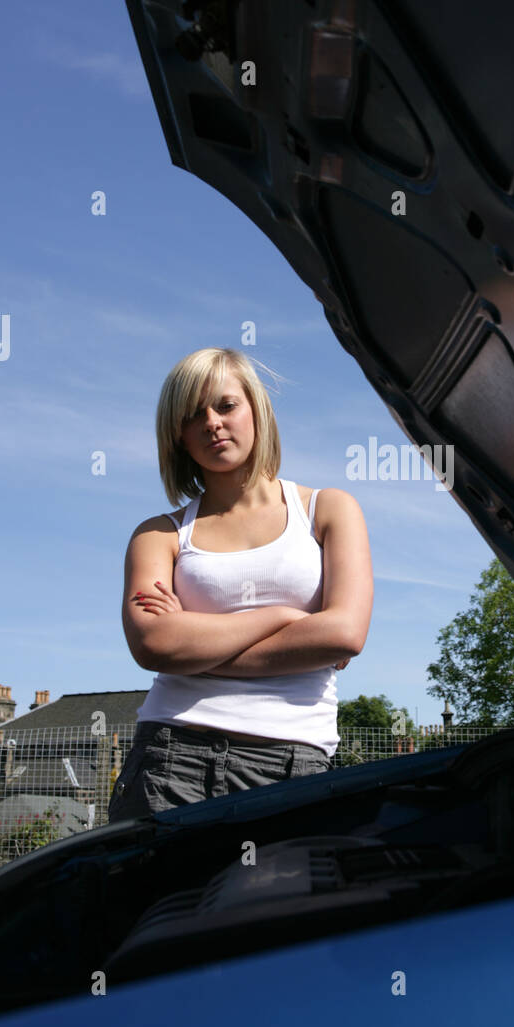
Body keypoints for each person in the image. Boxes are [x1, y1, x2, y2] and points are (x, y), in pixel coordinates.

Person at [108, 346, 373, 822]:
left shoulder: (330, 509)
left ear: (257, 409)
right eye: (193, 415)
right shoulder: (158, 534)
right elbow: (154, 645)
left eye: (226, 405)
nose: (212, 422)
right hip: (170, 762)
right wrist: (288, 620)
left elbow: (343, 635)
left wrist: (196, 644)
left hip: (295, 768)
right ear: (177, 436)